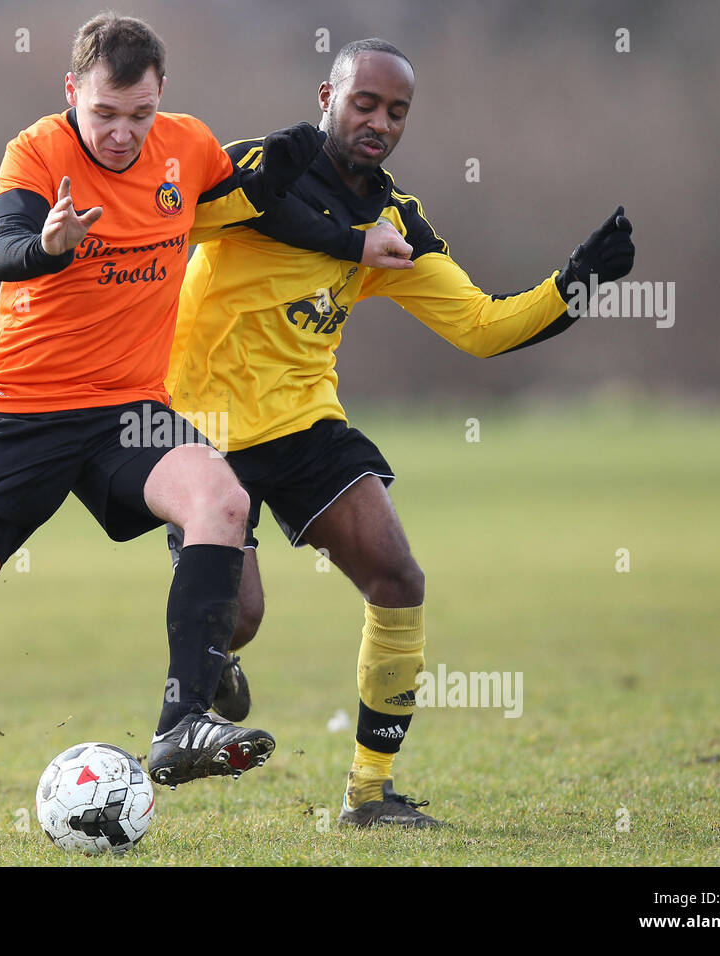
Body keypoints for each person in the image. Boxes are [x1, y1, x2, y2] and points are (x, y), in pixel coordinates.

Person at [0, 13, 328, 849]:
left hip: (126, 410)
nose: (121, 133)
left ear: (161, 100)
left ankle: (182, 723)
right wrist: (48, 244)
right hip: (17, 413)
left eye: (138, 115)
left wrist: (349, 223)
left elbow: (253, 206)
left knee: (221, 500)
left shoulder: (188, 148)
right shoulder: (39, 151)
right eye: (105, 113)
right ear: (72, 91)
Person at [165, 38, 635, 828]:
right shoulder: (261, 167)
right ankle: (219, 658)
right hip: (201, 431)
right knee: (239, 617)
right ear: (327, 95)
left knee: (399, 577)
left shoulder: (395, 222)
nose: (380, 121)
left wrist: (575, 282)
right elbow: (179, 221)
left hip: (306, 422)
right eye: (365, 103)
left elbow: (484, 326)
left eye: (397, 111)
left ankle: (369, 794)